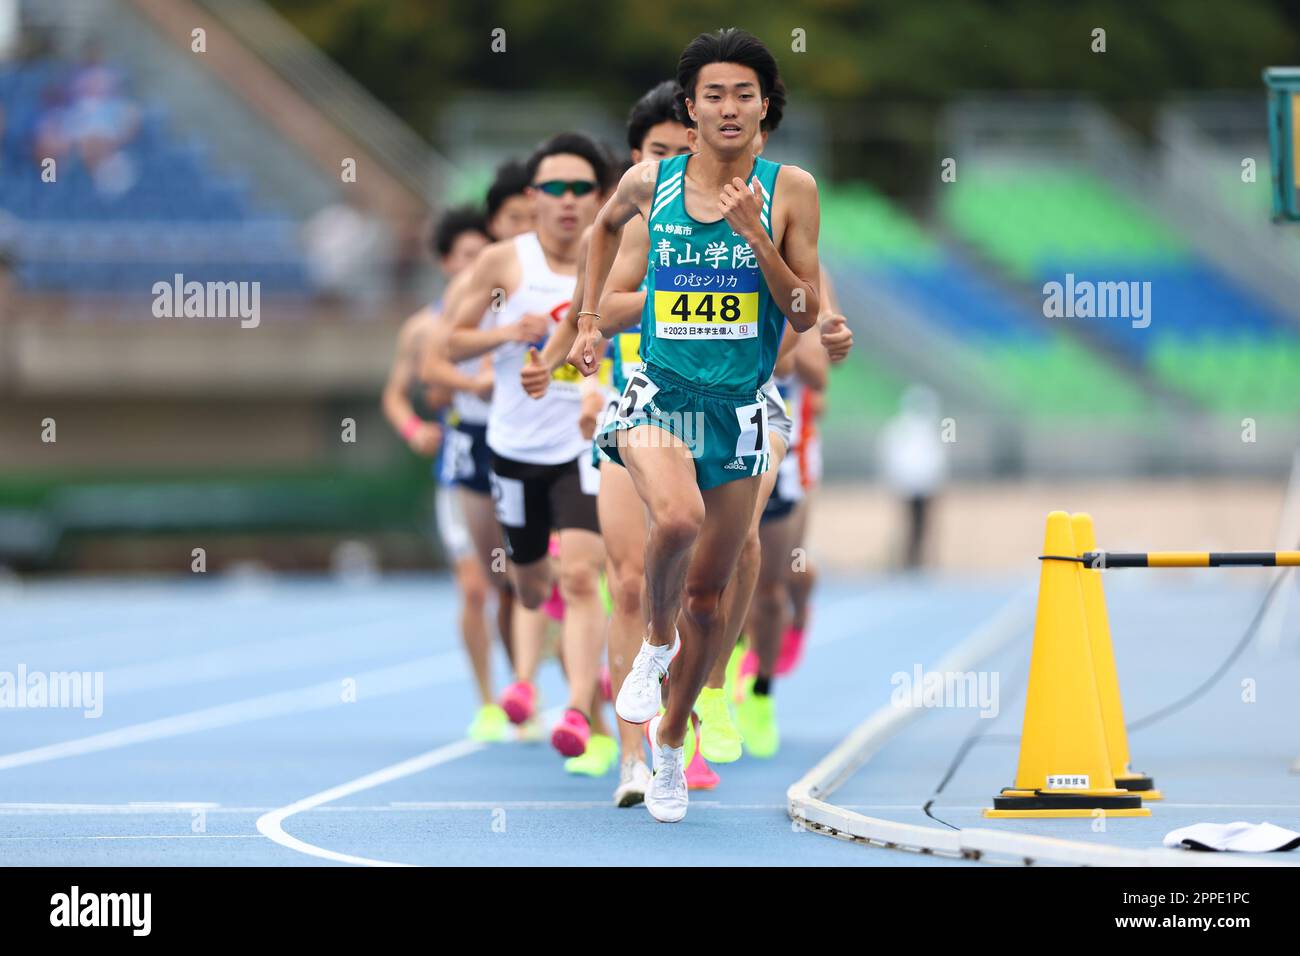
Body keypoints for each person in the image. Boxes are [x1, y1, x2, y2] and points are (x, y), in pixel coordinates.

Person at [576, 29, 822, 822]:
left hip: (741, 408)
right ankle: (652, 647)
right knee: (674, 518)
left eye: (743, 94)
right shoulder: (654, 182)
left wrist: (756, 238)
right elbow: (598, 231)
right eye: (712, 94)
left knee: (712, 602)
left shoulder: (792, 192)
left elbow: (806, 310)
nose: (727, 107)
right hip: (658, 392)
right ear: (690, 107)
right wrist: (589, 322)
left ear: (765, 106)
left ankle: (673, 743)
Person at [520, 81, 694, 805]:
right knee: (626, 583)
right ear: (637, 159)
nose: (678, 165)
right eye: (662, 153)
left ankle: (686, 728)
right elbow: (590, 317)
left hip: (713, 414)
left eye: (688, 152)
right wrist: (554, 356)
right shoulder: (630, 225)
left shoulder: (741, 218)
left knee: (700, 590)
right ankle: (634, 752)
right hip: (633, 414)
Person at [446, 133, 614, 764]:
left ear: (600, 197)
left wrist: (601, 388)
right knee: (529, 583)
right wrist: (505, 336)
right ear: (533, 196)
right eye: (555, 189)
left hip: (584, 446)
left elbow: (635, 336)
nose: (568, 202)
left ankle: (576, 710)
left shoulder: (618, 256)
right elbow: (448, 344)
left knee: (579, 576)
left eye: (581, 190)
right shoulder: (504, 265)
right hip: (514, 447)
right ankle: (529, 678)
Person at [384, 206, 509, 740]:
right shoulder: (424, 327)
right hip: (459, 458)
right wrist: (415, 428)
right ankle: (488, 701)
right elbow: (396, 395)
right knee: (474, 587)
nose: (477, 266)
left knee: (517, 584)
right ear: (445, 263)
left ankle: (529, 680)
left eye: (486, 255)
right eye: (466, 258)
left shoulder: (509, 311)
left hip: (515, 453)